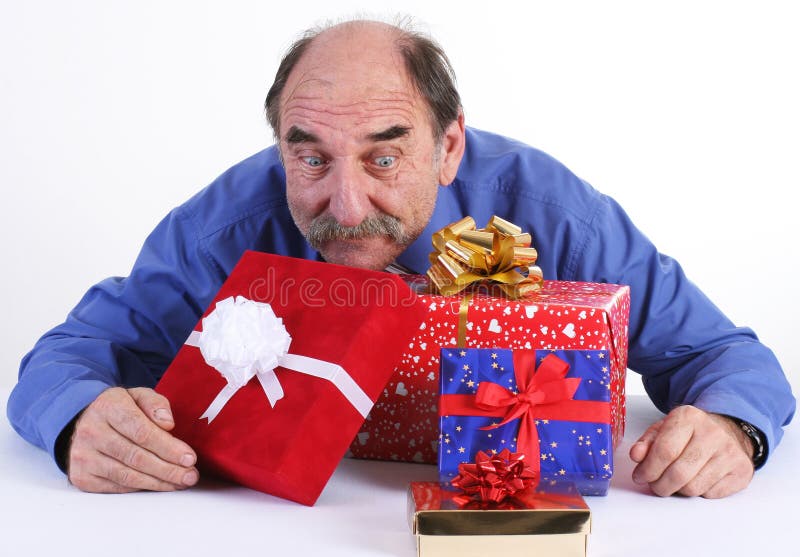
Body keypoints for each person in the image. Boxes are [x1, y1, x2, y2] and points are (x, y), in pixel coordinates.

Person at [7, 19, 794, 498]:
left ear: (449, 145)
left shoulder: (551, 212)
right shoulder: (228, 224)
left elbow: (727, 354)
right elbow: (68, 355)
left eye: (384, 158)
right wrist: (79, 420)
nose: (345, 208)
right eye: (310, 156)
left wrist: (732, 427)